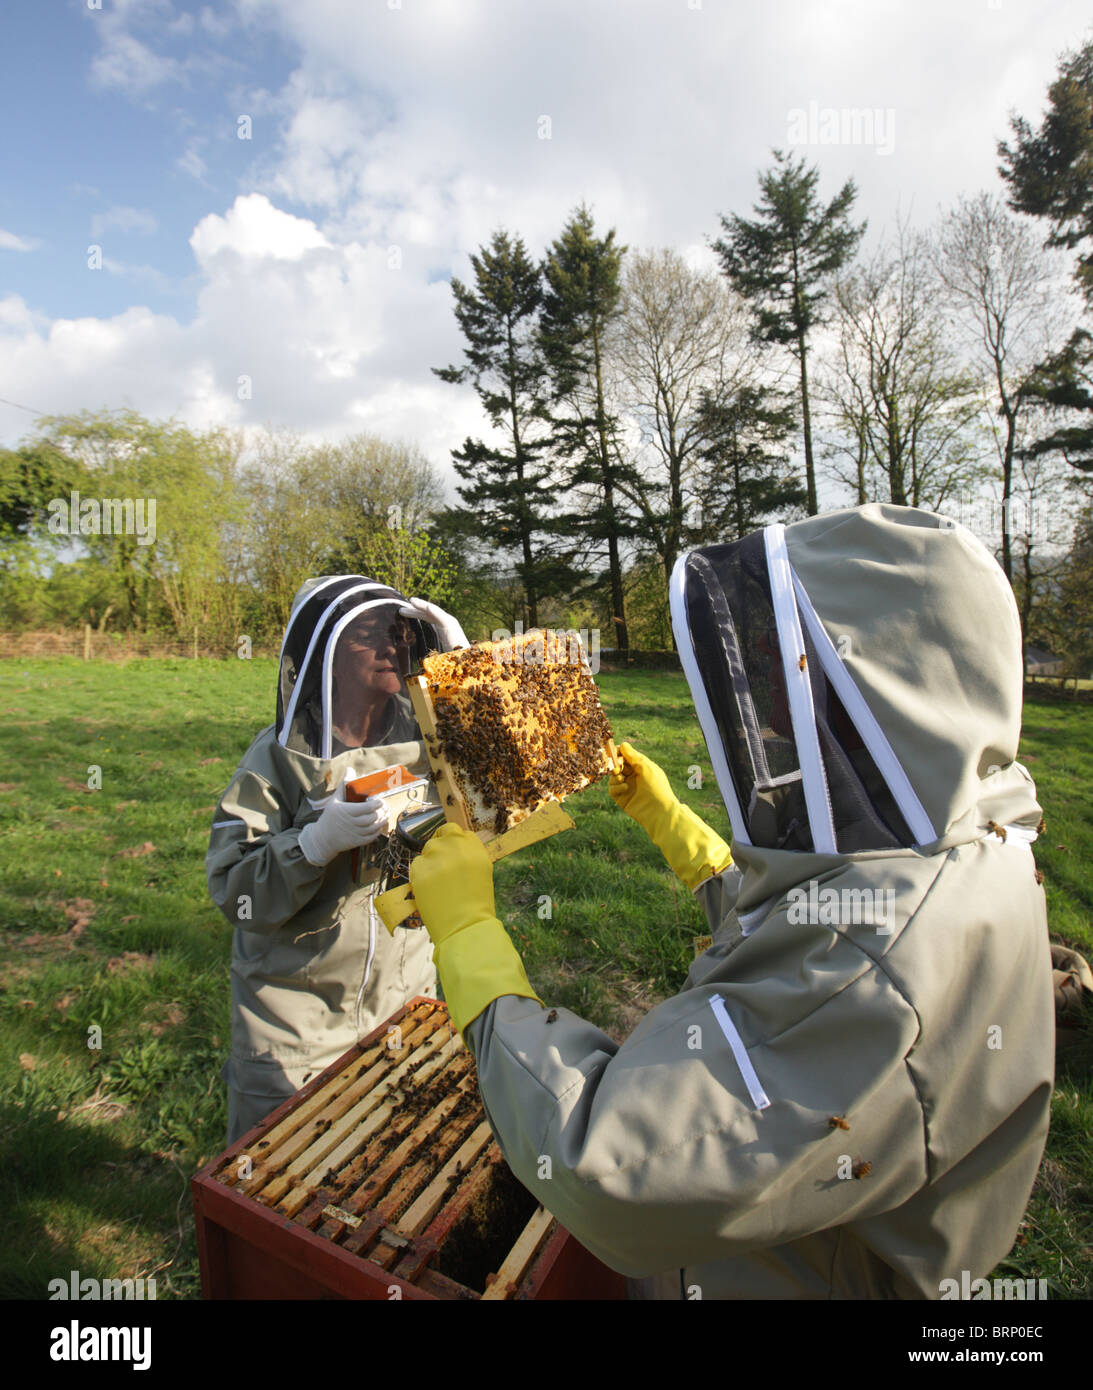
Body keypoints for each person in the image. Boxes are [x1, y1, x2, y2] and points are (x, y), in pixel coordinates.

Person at [407, 504, 1055, 1299]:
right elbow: (814, 941)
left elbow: (611, 1169)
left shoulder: (876, 975)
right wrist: (672, 826)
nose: (773, 717)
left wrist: (471, 938)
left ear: (876, 700)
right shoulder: (973, 842)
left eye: (795, 681)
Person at [207, 575, 467, 1145]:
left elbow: (506, 798)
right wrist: (312, 845)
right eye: (368, 636)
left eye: (401, 634)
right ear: (325, 653)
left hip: (406, 1000)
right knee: (277, 1189)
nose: (391, 647)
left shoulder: (433, 735)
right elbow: (234, 891)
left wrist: (467, 677)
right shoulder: (276, 756)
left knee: (391, 1169)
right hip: (295, 1024)